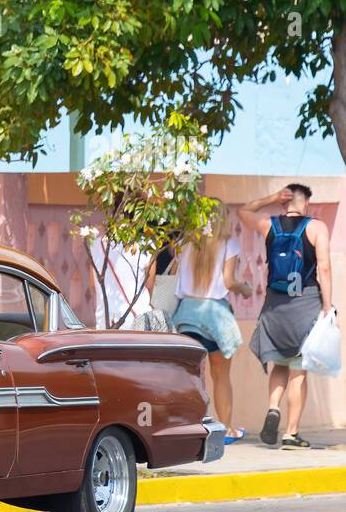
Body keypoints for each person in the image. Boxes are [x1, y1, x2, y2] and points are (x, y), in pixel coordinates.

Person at [239, 184, 334, 449]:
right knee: (299, 370)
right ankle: (291, 433)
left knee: (280, 364)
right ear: (306, 203)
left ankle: (273, 409)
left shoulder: (269, 225)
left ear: (285, 203)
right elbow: (323, 269)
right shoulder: (317, 228)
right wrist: (327, 306)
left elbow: (244, 212)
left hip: (274, 305)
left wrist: (270, 198)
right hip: (305, 304)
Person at [170, 206, 253, 443]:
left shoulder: (186, 242)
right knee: (221, 375)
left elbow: (174, 276)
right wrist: (244, 288)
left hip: (186, 313)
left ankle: (191, 426)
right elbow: (229, 281)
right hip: (215, 316)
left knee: (191, 376)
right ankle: (226, 429)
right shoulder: (229, 244)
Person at [88, 237, 151, 329]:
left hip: (105, 320)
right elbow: (149, 284)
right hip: (139, 318)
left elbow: (93, 285)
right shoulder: (146, 243)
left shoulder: (96, 245)